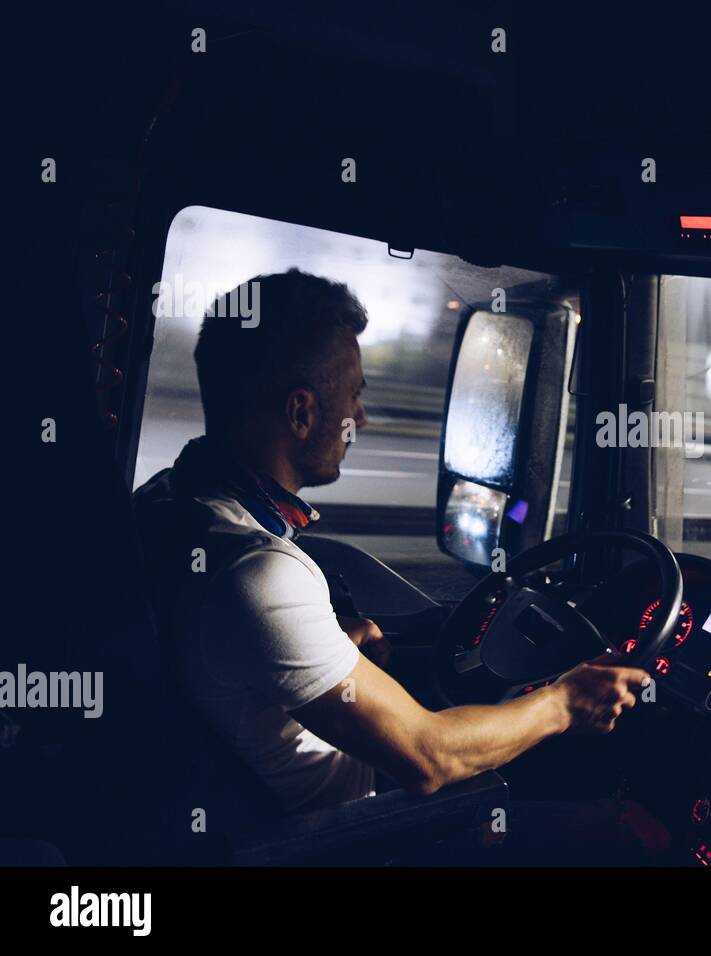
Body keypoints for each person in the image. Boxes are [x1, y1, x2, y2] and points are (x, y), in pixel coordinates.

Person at [133, 269, 649, 826]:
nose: (362, 417)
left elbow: (237, 660)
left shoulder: (167, 502)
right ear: (301, 413)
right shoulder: (258, 575)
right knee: (624, 828)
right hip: (350, 839)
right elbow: (430, 757)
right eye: (354, 395)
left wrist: (326, 642)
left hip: (273, 805)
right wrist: (562, 704)